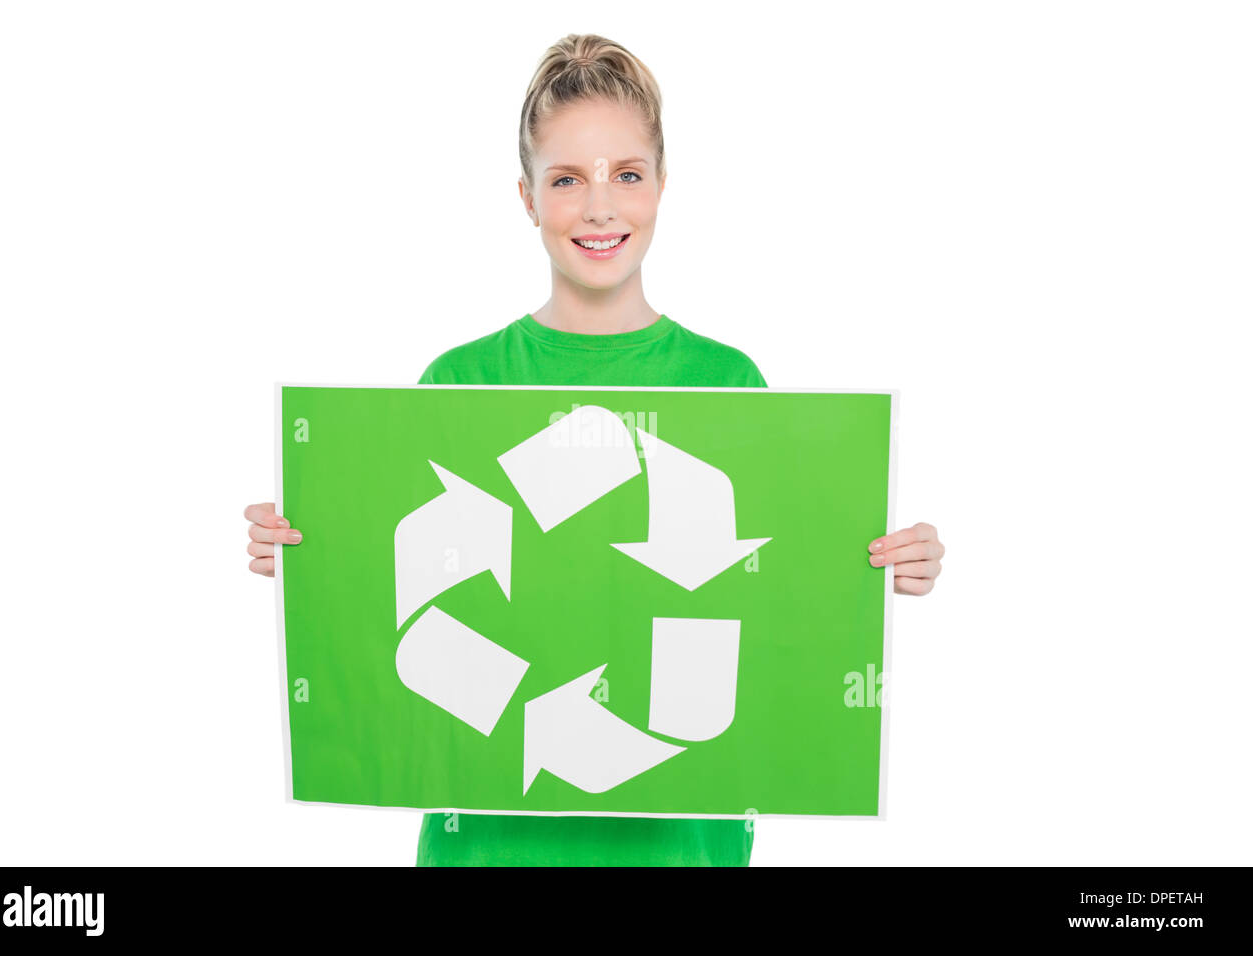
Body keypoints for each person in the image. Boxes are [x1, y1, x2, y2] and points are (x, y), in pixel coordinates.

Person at [243, 33, 946, 866]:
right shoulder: (457, 385)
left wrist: (886, 564)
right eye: (567, 179)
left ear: (660, 186)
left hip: (679, 849)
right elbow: (402, 593)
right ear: (527, 197)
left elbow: (772, 601)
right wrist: (305, 544)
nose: (601, 207)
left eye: (627, 174)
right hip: (486, 850)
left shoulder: (730, 384)